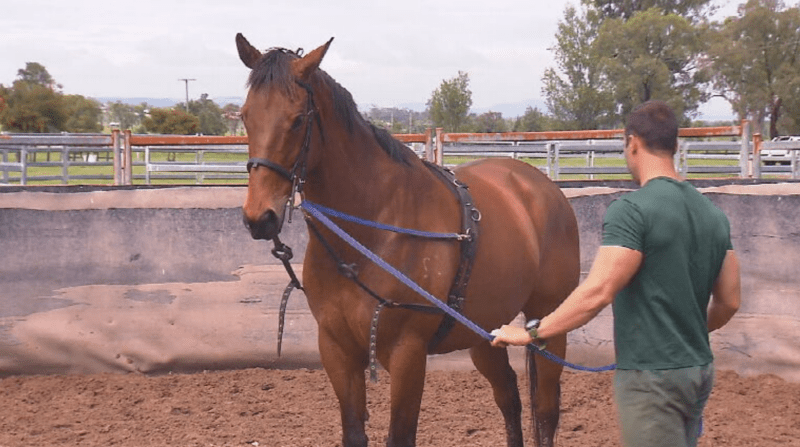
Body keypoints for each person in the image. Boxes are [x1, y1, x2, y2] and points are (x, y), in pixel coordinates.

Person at [490, 100, 741, 447]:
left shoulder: (632, 211)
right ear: (676, 146)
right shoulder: (713, 215)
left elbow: (598, 291)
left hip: (651, 379)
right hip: (697, 371)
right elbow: (729, 300)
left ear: (633, 142)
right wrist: (692, 330)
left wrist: (532, 332)